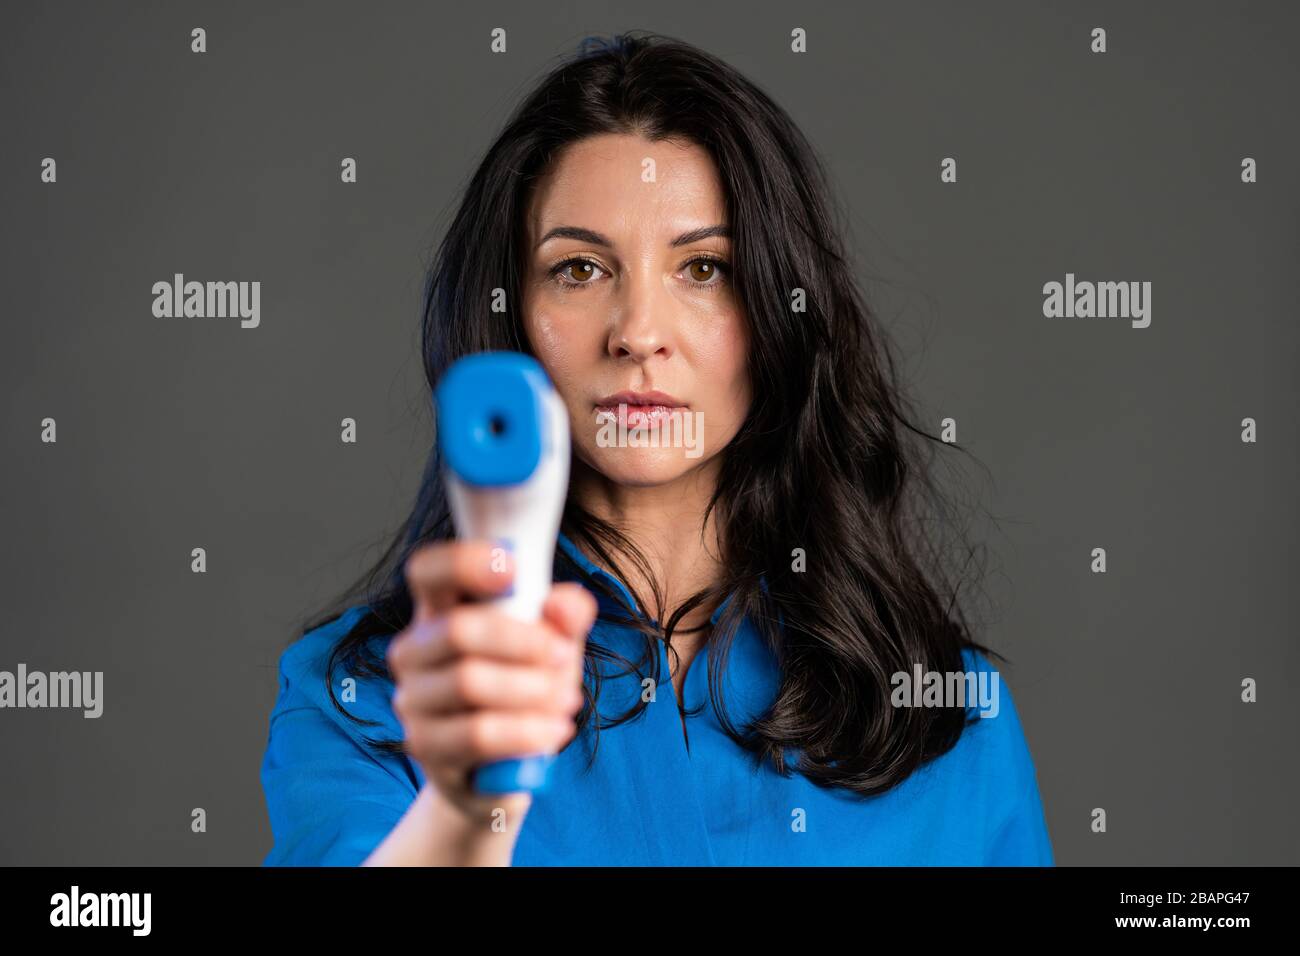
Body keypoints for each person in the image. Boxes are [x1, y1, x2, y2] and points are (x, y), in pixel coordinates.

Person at [259, 31, 1053, 866]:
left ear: (779, 312)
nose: (638, 333)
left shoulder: (946, 711)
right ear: (508, 316)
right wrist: (462, 813)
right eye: (578, 269)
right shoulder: (360, 696)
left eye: (704, 269)